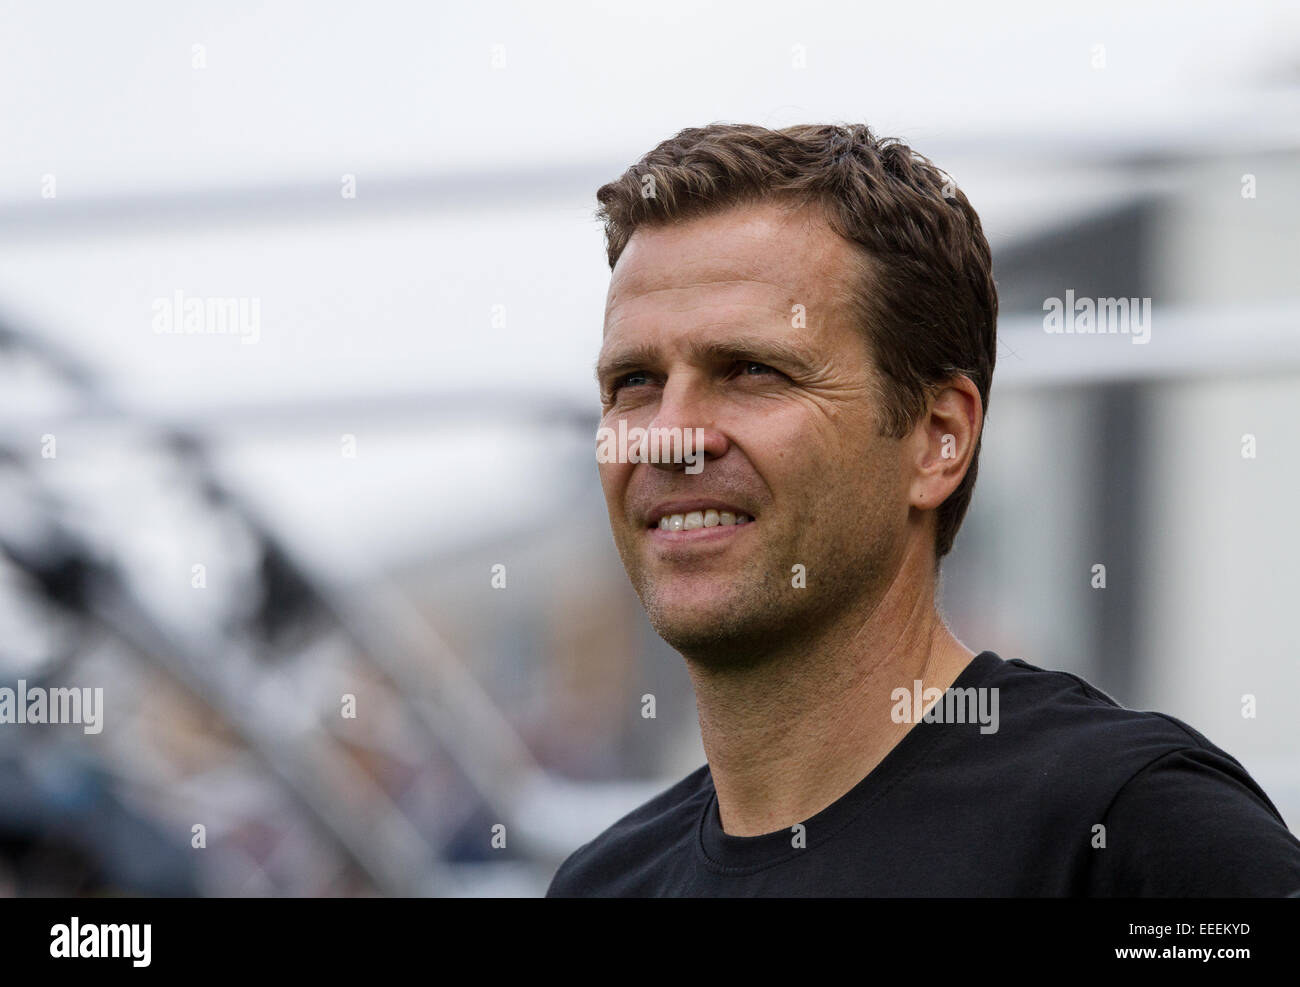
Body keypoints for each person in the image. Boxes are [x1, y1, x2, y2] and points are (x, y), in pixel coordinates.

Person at [546, 123, 1300, 896]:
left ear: (938, 439)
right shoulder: (600, 883)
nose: (671, 438)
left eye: (750, 369)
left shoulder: (1138, 835)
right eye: (634, 382)